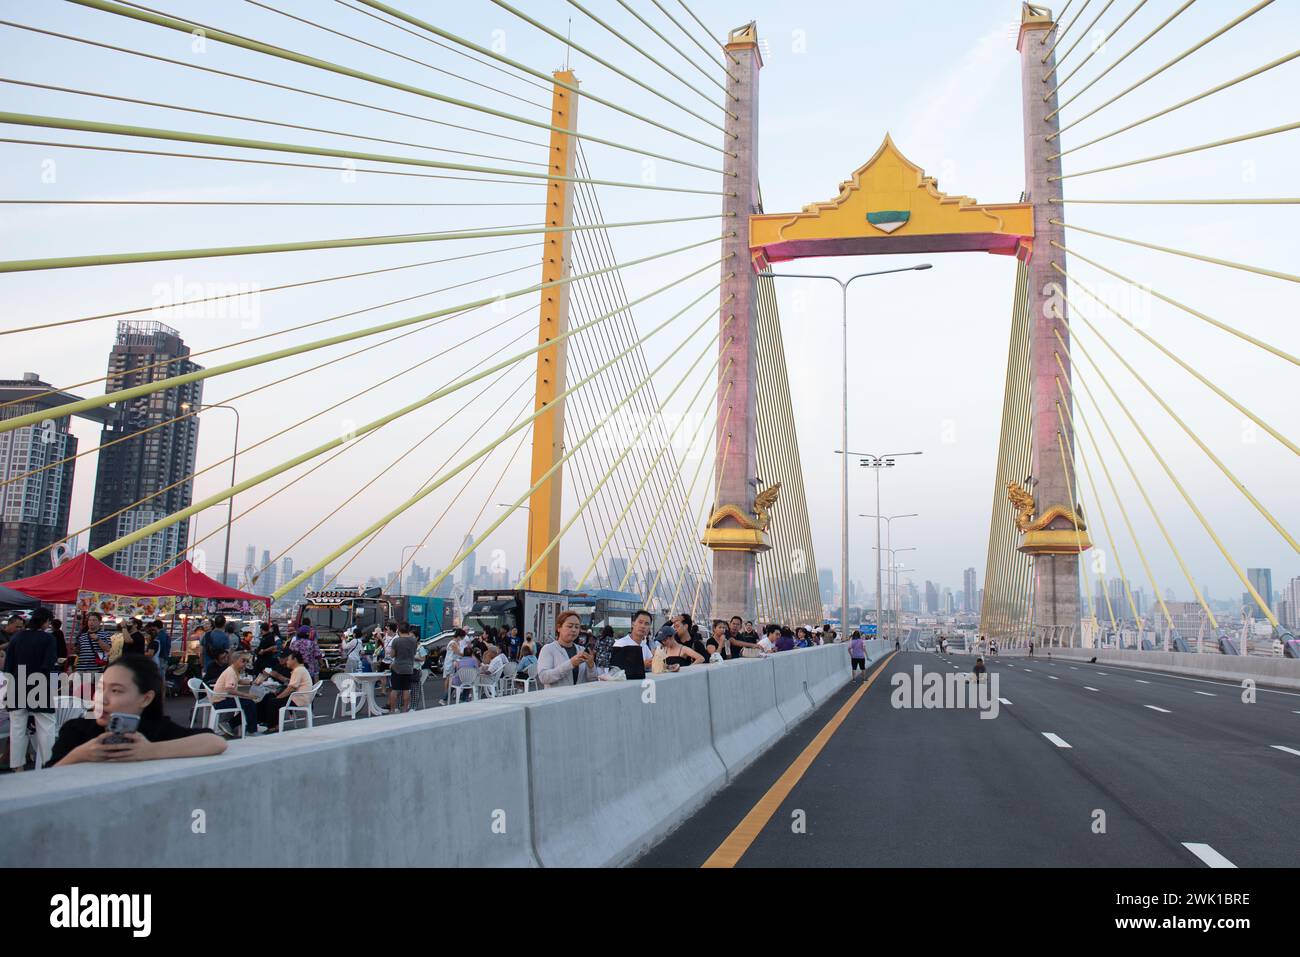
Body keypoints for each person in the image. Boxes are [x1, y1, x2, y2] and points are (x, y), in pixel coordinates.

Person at [49, 655, 226, 766]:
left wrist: (148, 751)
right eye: (101, 688)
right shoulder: (75, 729)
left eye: (116, 690)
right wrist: (81, 754)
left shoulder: (156, 730)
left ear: (146, 698)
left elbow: (215, 742)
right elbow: (45, 780)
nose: (102, 699)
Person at [4, 607, 60, 770]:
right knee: (46, 726)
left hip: (17, 684)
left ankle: (17, 766)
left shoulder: (17, 637)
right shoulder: (48, 639)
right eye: (48, 621)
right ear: (44, 621)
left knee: (17, 728)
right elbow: (50, 665)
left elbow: (8, 665)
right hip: (39, 684)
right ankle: (47, 764)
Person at [537, 611, 598, 689]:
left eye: (577, 627)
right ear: (559, 628)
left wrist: (591, 665)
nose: (573, 630)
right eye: (569, 626)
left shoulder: (581, 650)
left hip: (579, 698)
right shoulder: (548, 649)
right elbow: (544, 677)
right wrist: (571, 664)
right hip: (556, 699)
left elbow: (593, 680)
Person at [257, 649, 313, 733]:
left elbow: (291, 688)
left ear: (294, 660)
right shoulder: (300, 669)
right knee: (269, 697)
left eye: (289, 660)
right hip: (297, 697)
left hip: (298, 699)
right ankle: (266, 722)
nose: (287, 662)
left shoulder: (298, 670)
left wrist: (279, 697)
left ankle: (272, 726)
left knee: (273, 702)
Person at [211, 650, 260, 735]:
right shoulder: (231, 672)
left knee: (248, 704)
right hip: (221, 701)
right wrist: (247, 695)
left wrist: (251, 682)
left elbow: (239, 681)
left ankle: (230, 724)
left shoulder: (233, 670)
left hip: (222, 699)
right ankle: (252, 730)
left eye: (246, 661)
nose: (245, 664)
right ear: (234, 661)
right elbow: (230, 690)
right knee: (249, 704)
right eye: (243, 661)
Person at [610, 609, 653, 679]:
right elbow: (615, 672)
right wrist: (642, 665)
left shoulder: (644, 646)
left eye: (646, 624)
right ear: (633, 624)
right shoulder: (621, 644)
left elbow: (651, 662)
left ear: (649, 628)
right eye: (640, 622)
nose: (643, 626)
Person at [387, 622, 418, 713]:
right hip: (408, 668)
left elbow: (392, 655)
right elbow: (414, 653)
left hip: (397, 667)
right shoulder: (413, 641)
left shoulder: (396, 641)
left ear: (399, 630)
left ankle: (392, 710)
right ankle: (405, 709)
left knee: (395, 689)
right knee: (406, 689)